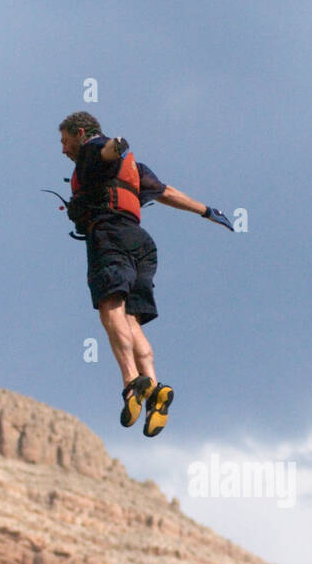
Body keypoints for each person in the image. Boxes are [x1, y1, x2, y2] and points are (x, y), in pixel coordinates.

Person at [57, 111, 232, 437]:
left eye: (65, 141)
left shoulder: (92, 151)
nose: (63, 150)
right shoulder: (134, 170)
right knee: (131, 320)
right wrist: (207, 211)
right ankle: (153, 388)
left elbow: (106, 150)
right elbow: (165, 192)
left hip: (108, 237)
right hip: (141, 244)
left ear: (80, 133)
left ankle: (130, 384)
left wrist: (116, 144)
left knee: (111, 311)